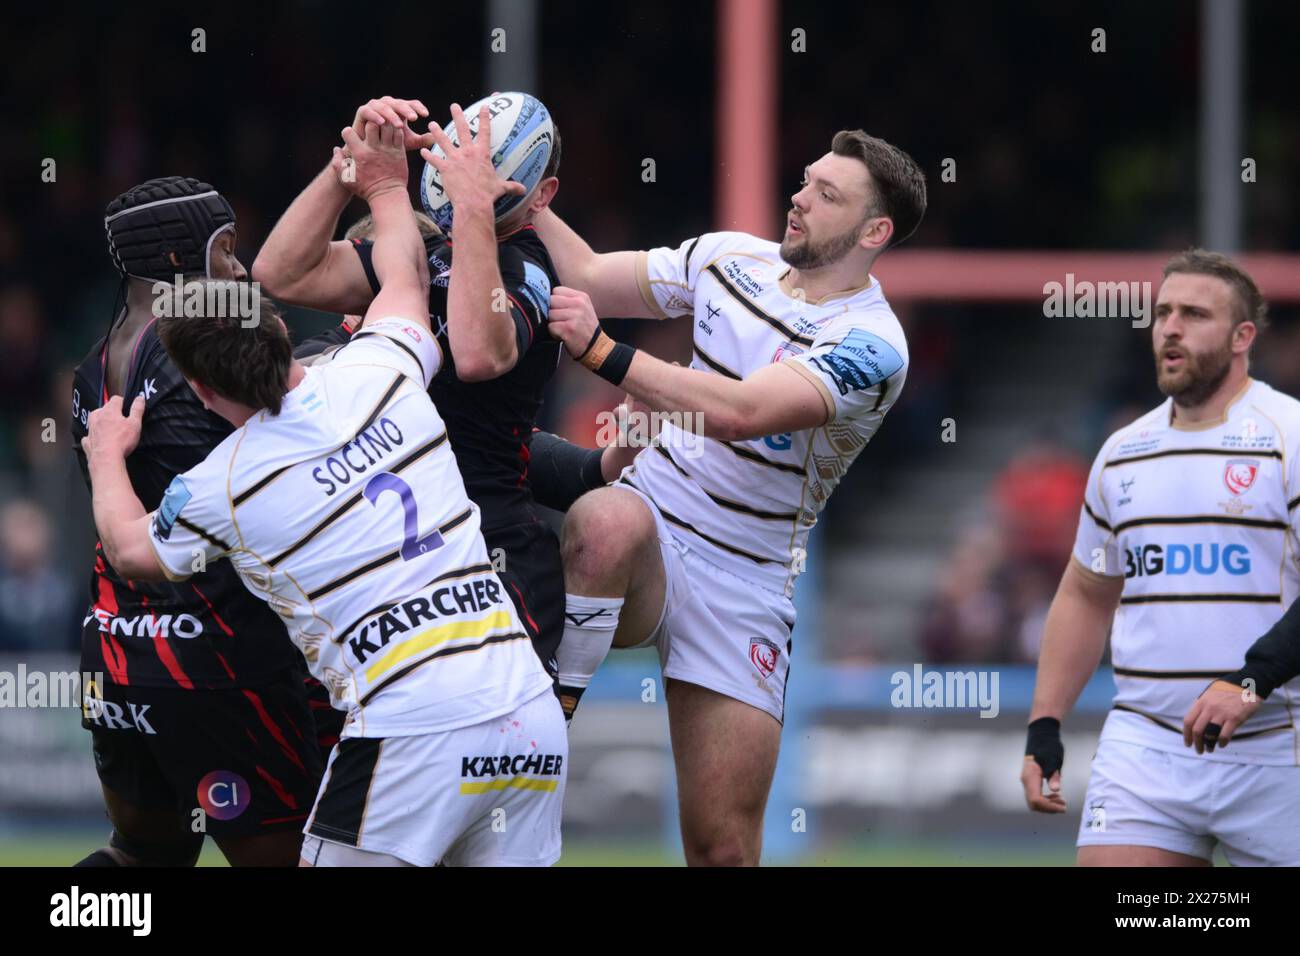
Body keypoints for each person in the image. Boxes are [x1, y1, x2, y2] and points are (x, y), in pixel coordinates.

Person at [82, 115, 566, 867]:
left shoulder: (225, 486)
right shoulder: (385, 369)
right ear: (281, 332)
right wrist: (383, 183)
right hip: (528, 714)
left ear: (201, 386)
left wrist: (108, 455)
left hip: (412, 731)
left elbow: (128, 548)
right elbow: (405, 276)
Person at [535, 129, 927, 864]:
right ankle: (544, 729)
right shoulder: (727, 256)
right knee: (607, 518)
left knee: (723, 851)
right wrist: (517, 197)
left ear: (875, 232)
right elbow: (587, 271)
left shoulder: (874, 346)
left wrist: (602, 353)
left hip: (746, 578)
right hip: (653, 518)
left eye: (827, 195)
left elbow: (743, 413)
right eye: (807, 181)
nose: (800, 198)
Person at [253, 95, 587, 694]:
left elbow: (480, 354)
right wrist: (348, 170)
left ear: (541, 194)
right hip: (386, 544)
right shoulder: (423, 258)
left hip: (486, 545)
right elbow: (282, 274)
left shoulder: (530, 269)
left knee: (488, 746)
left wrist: (473, 209)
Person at [70, 176, 335, 867]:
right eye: (228, 252)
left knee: (141, 859)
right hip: (217, 662)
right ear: (182, 258)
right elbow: (247, 487)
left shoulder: (91, 369)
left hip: (117, 652)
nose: (243, 270)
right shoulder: (193, 350)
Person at [1022, 250, 1300, 866]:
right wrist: (1045, 726)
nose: (1171, 327)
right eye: (1163, 313)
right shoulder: (1123, 452)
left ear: (1241, 337)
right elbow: (1085, 594)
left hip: (1279, 746)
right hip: (1146, 746)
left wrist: (1252, 681)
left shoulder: (1290, 436)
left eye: (1195, 314)